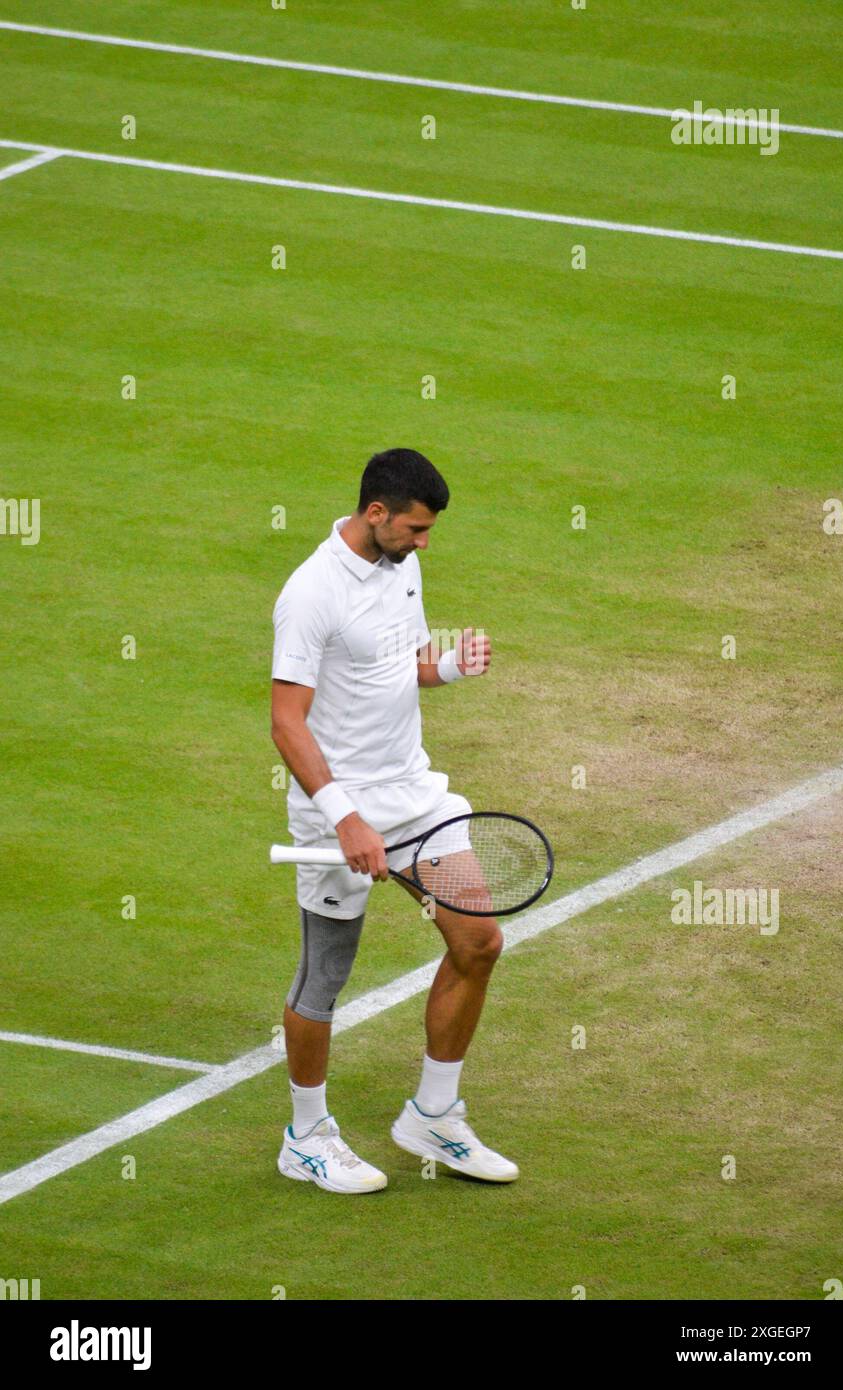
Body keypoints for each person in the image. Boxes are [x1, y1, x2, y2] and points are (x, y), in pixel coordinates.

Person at [270, 448, 518, 1193]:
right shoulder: (310, 592)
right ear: (375, 513)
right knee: (326, 977)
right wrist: (344, 819)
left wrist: (447, 669)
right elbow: (287, 722)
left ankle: (433, 1117)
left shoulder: (400, 562)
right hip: (335, 813)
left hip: (413, 796)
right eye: (415, 527)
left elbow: (395, 666)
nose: (424, 541)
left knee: (478, 940)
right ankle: (306, 1136)